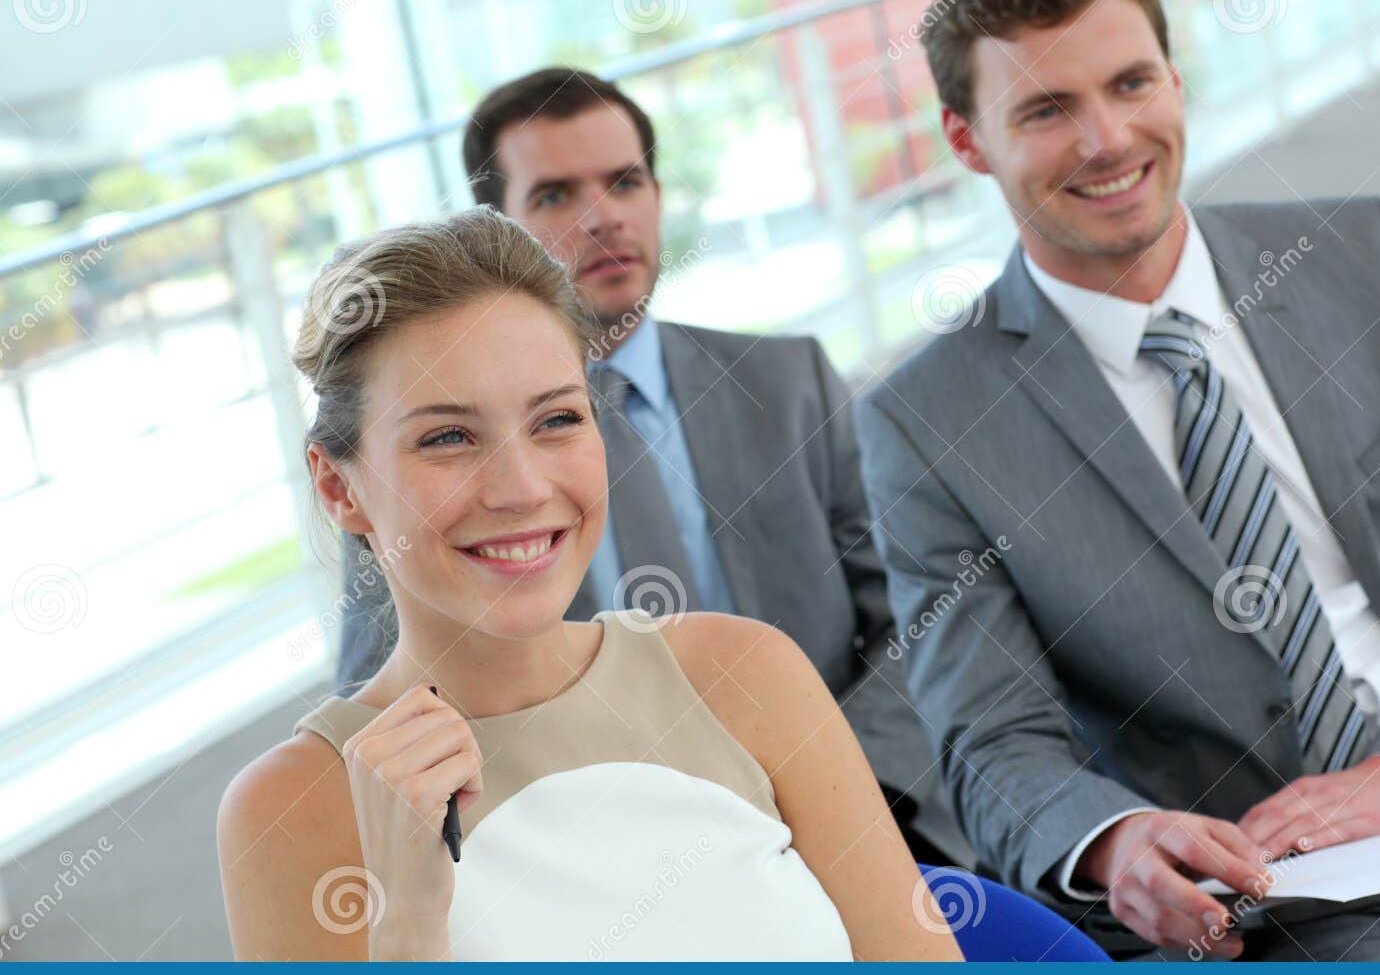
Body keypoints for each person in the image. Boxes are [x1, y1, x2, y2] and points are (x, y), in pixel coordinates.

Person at [854, 0, 1380, 961]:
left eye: (1129, 84)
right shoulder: (927, 420)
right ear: (968, 140)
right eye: (1046, 109)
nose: (1107, 139)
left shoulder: (1354, 253)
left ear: (1173, 79)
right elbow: (991, 743)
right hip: (1274, 886)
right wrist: (1117, 843)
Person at [216, 207, 962, 962]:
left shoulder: (744, 672)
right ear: (339, 486)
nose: (521, 487)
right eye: (448, 436)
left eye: (556, 420)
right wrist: (407, 921)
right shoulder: (291, 809)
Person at [331, 67, 966, 868]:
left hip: (849, 822)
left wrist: (834, 791)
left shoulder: (789, 382)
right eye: (557, 195)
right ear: (496, 232)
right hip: (589, 880)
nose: (604, 219)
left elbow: (916, 615)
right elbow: (380, 707)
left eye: (625, 181)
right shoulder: (428, 470)